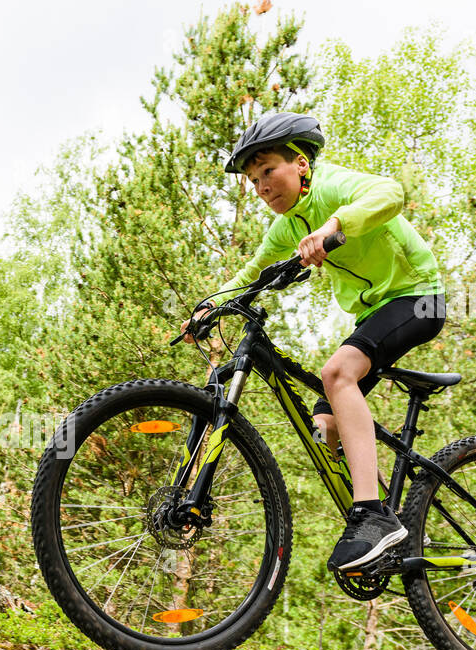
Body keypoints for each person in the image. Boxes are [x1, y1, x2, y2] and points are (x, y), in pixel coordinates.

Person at [181, 112, 445, 572]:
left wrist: (333, 226)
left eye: (268, 171)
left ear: (301, 164)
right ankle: (389, 514)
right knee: (324, 427)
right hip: (372, 314)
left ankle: (372, 516)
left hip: (418, 298)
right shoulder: (285, 228)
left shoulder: (333, 188)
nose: (261, 187)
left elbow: (391, 194)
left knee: (337, 373)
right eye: (253, 180)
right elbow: (253, 274)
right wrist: (209, 306)